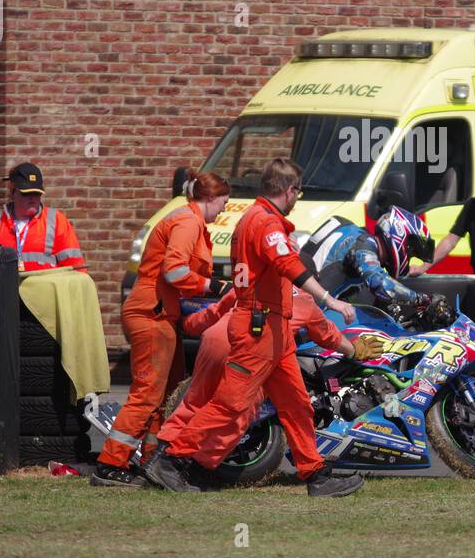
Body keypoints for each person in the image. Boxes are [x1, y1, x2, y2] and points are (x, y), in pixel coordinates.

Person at [145, 158, 364, 498]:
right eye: (298, 192)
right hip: (259, 329)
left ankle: (315, 474)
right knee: (231, 405)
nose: (297, 199)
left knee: (296, 404)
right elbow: (287, 263)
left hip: (273, 330)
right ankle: (173, 458)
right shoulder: (265, 223)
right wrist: (329, 300)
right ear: (290, 190)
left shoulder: (255, 220)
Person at [91, 170, 231, 487]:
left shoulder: (188, 220)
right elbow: (176, 271)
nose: (225, 208)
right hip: (151, 315)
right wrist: (215, 287)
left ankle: (151, 459)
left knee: (165, 396)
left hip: (161, 315)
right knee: (146, 395)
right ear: (210, 198)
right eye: (224, 201)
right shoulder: (187, 222)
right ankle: (110, 464)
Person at [158, 286, 362, 446]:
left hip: (213, 339)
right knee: (236, 412)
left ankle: (162, 452)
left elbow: (215, 310)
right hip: (245, 349)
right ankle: (186, 460)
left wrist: (188, 325)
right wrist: (354, 351)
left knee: (193, 403)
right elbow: (328, 335)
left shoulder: (252, 284)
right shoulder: (304, 300)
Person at [301, 207, 453, 329]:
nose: (409, 254)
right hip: (301, 320)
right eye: (411, 249)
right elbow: (380, 283)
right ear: (398, 235)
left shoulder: (351, 232)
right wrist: (424, 300)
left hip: (303, 308)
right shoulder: (363, 245)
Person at [0, 162, 86, 272]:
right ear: (12, 192)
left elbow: (76, 268)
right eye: (26, 193)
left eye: (37, 193)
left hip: (44, 289)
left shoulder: (57, 221)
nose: (32, 198)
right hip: (4, 289)